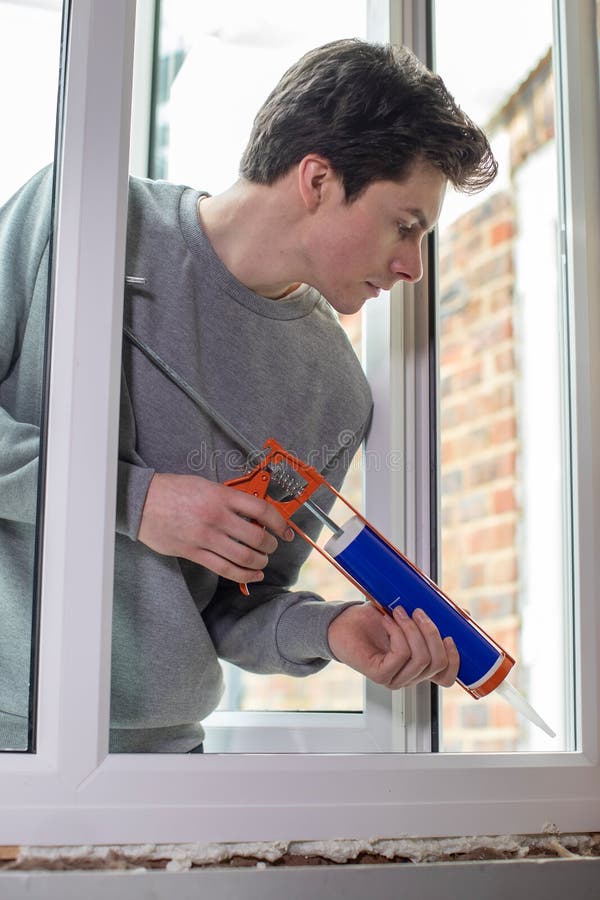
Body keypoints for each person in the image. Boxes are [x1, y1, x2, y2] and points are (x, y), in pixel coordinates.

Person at [0, 39, 497, 752]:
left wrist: (329, 630)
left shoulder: (334, 388)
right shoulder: (76, 220)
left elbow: (239, 604)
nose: (413, 267)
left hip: (161, 764)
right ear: (318, 180)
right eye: (406, 226)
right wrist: (135, 501)